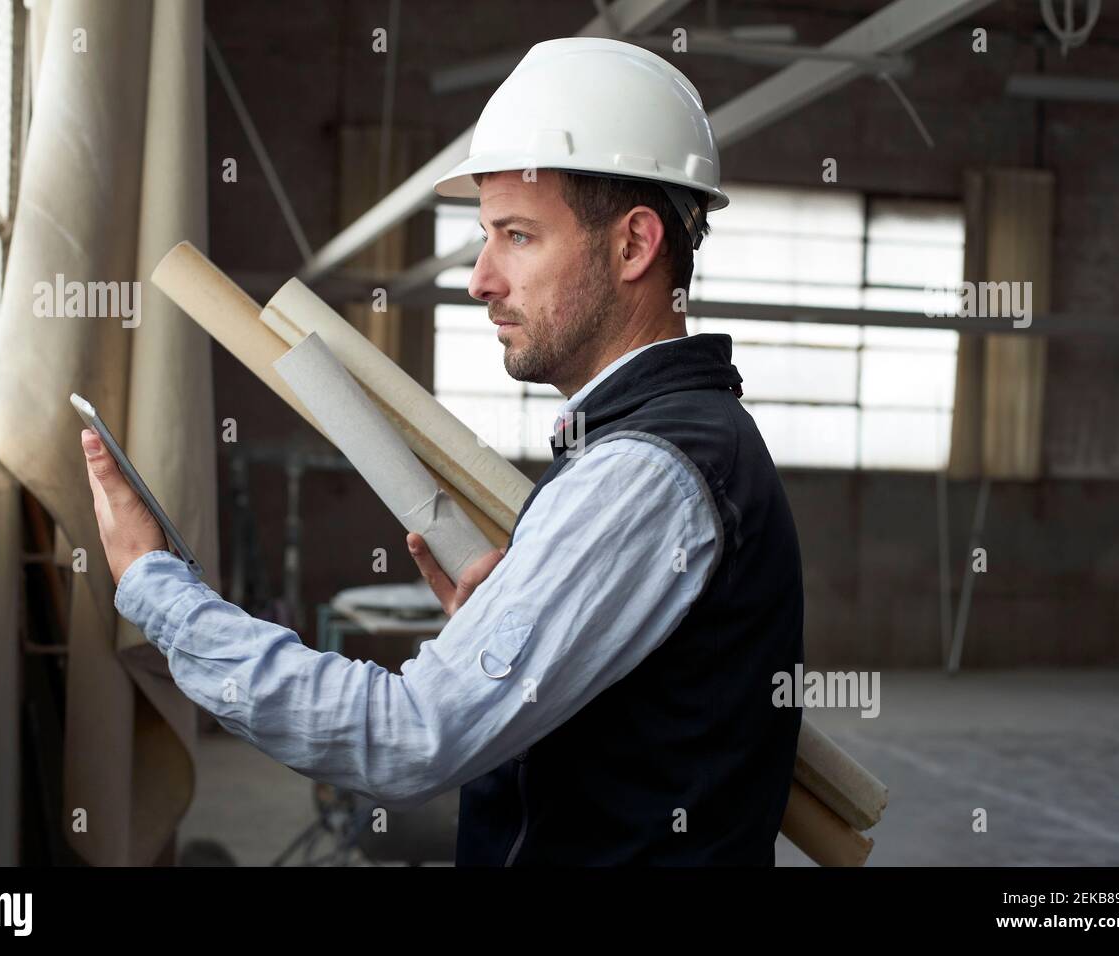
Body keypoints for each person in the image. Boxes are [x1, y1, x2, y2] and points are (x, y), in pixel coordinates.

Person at [82, 36, 804, 865]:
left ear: (634, 245)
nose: (480, 277)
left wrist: (156, 588)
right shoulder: (650, 438)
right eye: (485, 235)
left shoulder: (646, 472)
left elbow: (405, 739)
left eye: (518, 236)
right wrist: (511, 633)